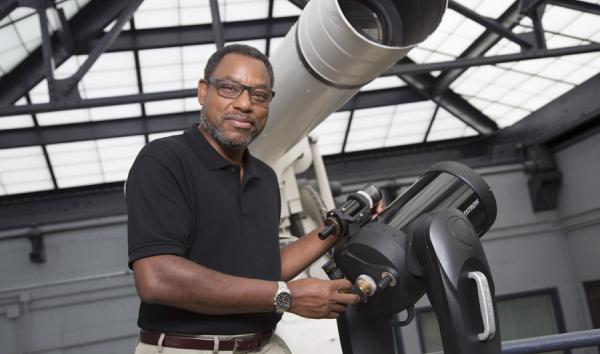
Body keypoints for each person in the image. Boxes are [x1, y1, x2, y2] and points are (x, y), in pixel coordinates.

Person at [126, 44, 381, 354]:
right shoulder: (164, 159)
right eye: (230, 88)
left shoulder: (265, 178)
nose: (245, 104)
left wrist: (340, 225)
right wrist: (287, 297)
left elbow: (264, 271)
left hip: (264, 344)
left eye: (259, 95)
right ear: (203, 91)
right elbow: (157, 277)